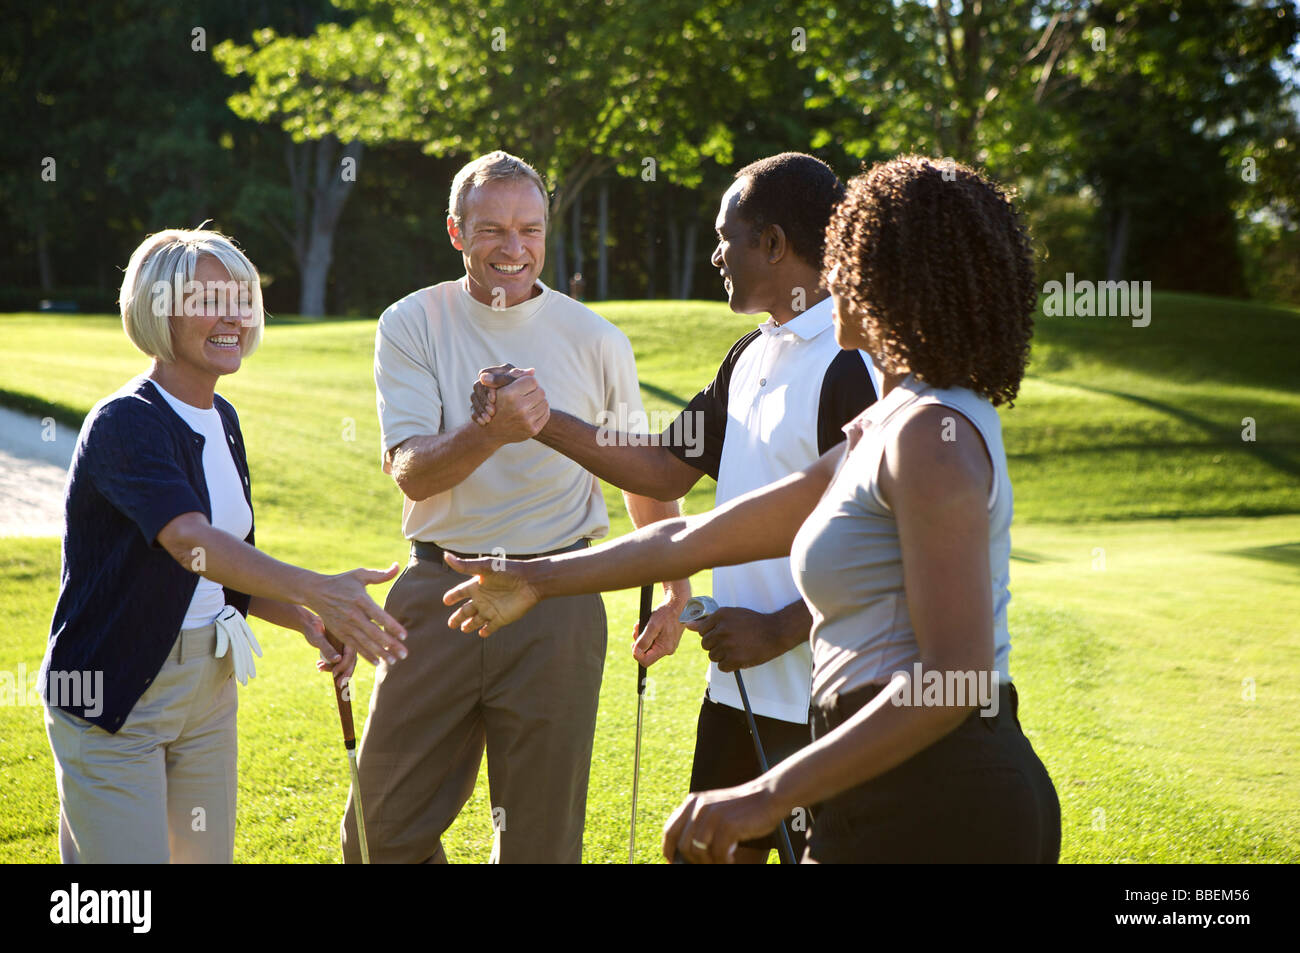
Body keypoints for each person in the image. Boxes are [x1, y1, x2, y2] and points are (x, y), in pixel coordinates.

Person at [441, 155, 1061, 863]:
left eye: (848, 255)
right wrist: (538, 577)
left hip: (943, 796)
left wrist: (767, 794)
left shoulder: (930, 439)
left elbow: (956, 682)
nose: (834, 275)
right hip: (876, 777)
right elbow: (696, 534)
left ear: (894, 280)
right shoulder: (886, 426)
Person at [470, 152, 879, 862]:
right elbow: (663, 468)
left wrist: (782, 627)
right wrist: (542, 418)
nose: (717, 254)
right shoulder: (748, 356)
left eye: (728, 236)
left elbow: (885, 543)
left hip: (831, 700)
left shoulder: (853, 363)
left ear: (775, 245)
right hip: (738, 692)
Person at [342, 150, 688, 864]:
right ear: (456, 232)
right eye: (492, 229)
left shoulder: (597, 339)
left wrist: (677, 584)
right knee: (381, 835)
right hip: (437, 591)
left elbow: (641, 472)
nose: (513, 247)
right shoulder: (411, 322)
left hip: (558, 597)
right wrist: (488, 431)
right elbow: (410, 472)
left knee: (540, 844)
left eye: (529, 229)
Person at [40, 227, 409, 864]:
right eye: (208, 300)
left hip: (207, 686)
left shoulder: (223, 417)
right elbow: (190, 542)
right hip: (110, 691)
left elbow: (221, 571)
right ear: (159, 311)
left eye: (240, 298)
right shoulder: (126, 420)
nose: (233, 315)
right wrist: (317, 587)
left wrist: (304, 616)